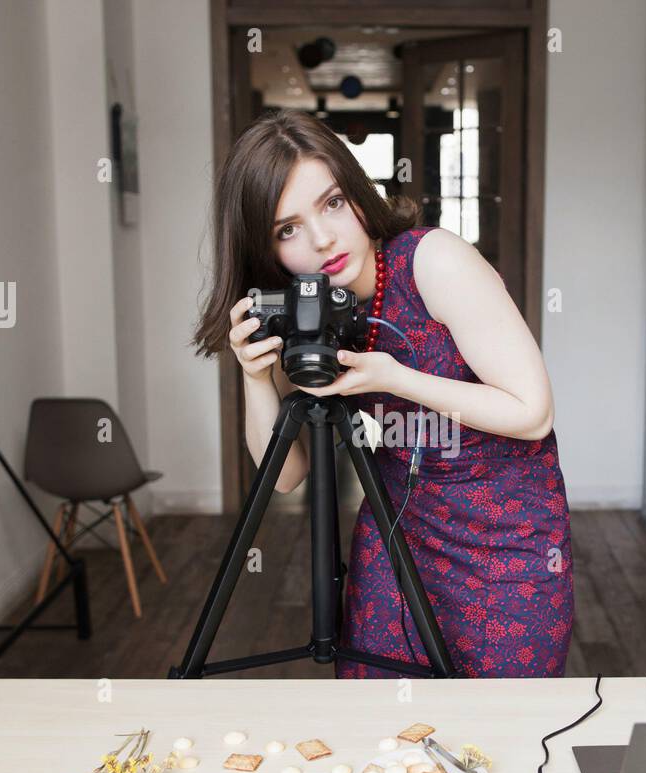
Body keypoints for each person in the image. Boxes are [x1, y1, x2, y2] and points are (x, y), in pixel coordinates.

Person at [194, 108, 573, 677]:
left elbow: (532, 413)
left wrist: (392, 376)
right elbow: (287, 475)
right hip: (395, 545)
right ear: (266, 250)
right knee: (381, 732)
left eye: (332, 203)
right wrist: (254, 377)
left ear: (357, 191)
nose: (322, 240)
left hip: (507, 545)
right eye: (287, 229)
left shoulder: (433, 261)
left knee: (505, 734)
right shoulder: (307, 309)